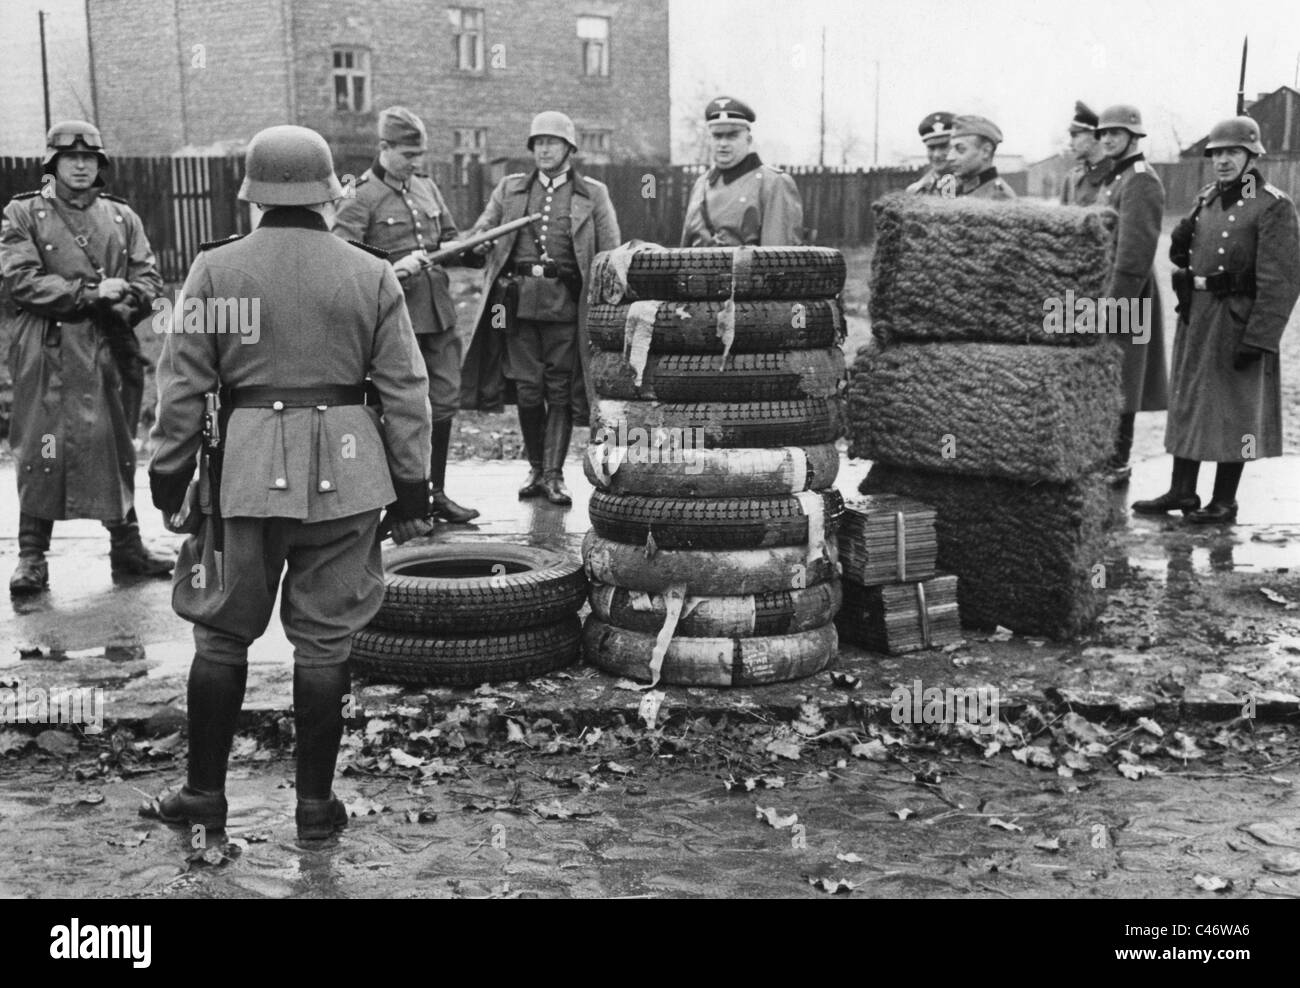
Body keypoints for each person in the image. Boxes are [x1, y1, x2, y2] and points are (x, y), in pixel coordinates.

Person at [143, 125, 435, 840]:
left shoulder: (215, 272)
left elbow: (180, 388)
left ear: (253, 197)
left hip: (243, 474)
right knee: (324, 643)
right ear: (330, 194)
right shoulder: (370, 274)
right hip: (348, 469)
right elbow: (405, 392)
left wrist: (169, 471)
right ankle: (313, 809)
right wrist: (411, 488)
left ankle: (205, 796)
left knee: (219, 636)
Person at [1, 119, 173, 595]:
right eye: (70, 158)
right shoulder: (25, 214)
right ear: (51, 164)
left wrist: (125, 300)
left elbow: (149, 279)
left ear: (100, 165)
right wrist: (92, 292)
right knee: (40, 444)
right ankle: (32, 556)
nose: (80, 165)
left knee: (113, 440)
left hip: (106, 344)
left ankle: (128, 546)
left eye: (89, 158)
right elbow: (21, 280)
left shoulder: (122, 218)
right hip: (46, 344)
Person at [1134, 116, 1300, 523]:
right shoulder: (1207, 197)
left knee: (1236, 409)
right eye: (1218, 153)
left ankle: (1224, 500)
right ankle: (1182, 490)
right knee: (1190, 401)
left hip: (1239, 319)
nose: (1223, 160)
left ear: (1252, 156)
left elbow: (1282, 280)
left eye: (1233, 152)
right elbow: (1191, 253)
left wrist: (1261, 336)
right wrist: (1182, 250)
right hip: (1200, 314)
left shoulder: (1273, 205)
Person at [459, 111, 621, 505]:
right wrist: (479, 243)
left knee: (559, 390)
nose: (544, 149)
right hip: (517, 306)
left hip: (566, 305)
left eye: (553, 142)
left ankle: (553, 475)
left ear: (569, 149)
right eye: (538, 143)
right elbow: (482, 233)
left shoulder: (592, 194)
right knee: (529, 391)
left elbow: (611, 254)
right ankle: (535, 470)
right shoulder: (510, 189)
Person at [332, 106, 480, 524]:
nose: (416, 164)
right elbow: (344, 261)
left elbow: (449, 239)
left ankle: (435, 494)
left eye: (420, 155)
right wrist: (394, 270)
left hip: (438, 316)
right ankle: (396, 499)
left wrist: (473, 248)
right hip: (394, 324)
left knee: (444, 403)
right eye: (408, 155)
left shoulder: (427, 189)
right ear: (383, 148)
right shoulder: (359, 197)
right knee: (398, 409)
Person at [1094, 104, 1168, 487]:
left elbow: (1135, 252)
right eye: (1103, 133)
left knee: (1124, 376)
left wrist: (1114, 303)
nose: (1107, 138)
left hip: (1128, 291)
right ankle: (1104, 455)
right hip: (1106, 287)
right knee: (1105, 373)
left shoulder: (1140, 179)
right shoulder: (1115, 177)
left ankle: (1118, 460)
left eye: (1116, 133)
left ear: (1134, 136)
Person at [680, 96, 804, 246]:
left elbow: (777, 256)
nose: (723, 144)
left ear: (748, 140)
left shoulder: (773, 183)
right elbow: (686, 249)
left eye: (732, 136)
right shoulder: (702, 184)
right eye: (717, 136)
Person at [943, 115, 1016, 199]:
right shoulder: (962, 188)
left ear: (986, 151)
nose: (949, 157)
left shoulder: (998, 196)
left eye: (960, 149)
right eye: (951, 149)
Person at [1060, 101, 1112, 206]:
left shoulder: (1118, 177)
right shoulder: (1071, 179)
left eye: (1075, 136)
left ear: (1094, 136)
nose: (1070, 143)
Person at [906, 111, 956, 194]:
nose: (936, 154)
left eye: (943, 146)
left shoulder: (975, 188)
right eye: (931, 148)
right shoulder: (916, 191)